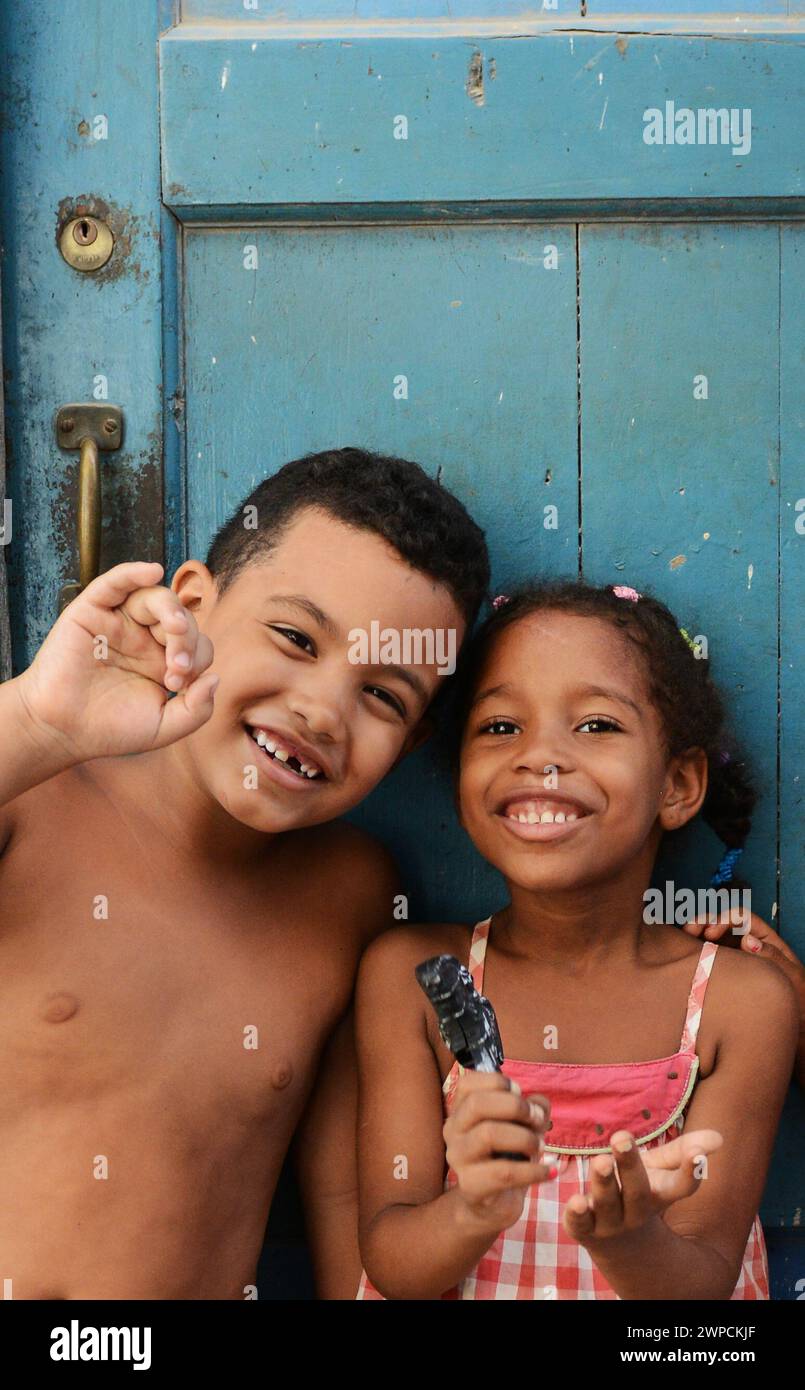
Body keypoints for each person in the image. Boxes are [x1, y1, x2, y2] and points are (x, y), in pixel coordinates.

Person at [0, 446, 489, 1299]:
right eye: (296, 638)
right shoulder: (34, 795)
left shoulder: (350, 896)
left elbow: (344, 1207)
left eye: (384, 696)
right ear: (192, 603)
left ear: (409, 742)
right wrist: (40, 724)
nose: (322, 709)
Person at [355, 580, 798, 1300]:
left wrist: (631, 1244)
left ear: (678, 785)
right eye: (500, 727)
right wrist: (474, 1208)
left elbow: (700, 1288)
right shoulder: (414, 975)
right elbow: (394, 1263)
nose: (542, 758)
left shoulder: (737, 1002)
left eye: (595, 726)